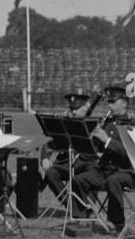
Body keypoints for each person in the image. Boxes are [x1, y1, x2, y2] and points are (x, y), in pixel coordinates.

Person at [76, 81, 135, 232]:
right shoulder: (107, 123)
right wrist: (91, 138)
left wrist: (107, 140)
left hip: (127, 171)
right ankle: (84, 216)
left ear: (123, 103)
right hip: (105, 169)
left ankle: (117, 223)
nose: (109, 106)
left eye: (113, 102)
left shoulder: (134, 124)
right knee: (79, 180)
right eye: (108, 102)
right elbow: (94, 149)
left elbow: (129, 152)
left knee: (113, 180)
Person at [40, 92, 98, 220]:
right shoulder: (64, 123)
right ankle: (72, 208)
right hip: (67, 163)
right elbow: (48, 141)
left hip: (87, 164)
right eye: (71, 109)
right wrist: (44, 158)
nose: (73, 112)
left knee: (92, 174)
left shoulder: (95, 124)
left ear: (86, 107)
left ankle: (88, 208)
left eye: (76, 109)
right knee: (51, 174)